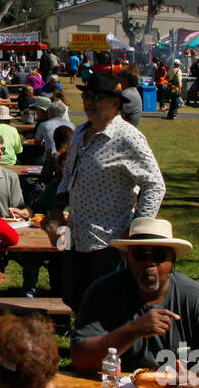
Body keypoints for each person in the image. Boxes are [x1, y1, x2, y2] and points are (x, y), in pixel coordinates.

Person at [71, 217, 199, 388]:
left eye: (159, 255)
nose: (150, 263)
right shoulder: (103, 292)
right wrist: (133, 331)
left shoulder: (195, 297)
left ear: (173, 259)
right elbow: (81, 360)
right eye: (140, 255)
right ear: (127, 257)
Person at [50, 71, 165, 315]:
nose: (89, 101)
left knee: (108, 305)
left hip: (108, 242)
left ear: (115, 103)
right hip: (75, 235)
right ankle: (86, 342)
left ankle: (108, 348)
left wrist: (136, 230)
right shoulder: (81, 131)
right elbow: (68, 174)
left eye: (96, 97)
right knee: (72, 295)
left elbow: (155, 184)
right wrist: (58, 209)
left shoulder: (128, 137)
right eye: (86, 96)